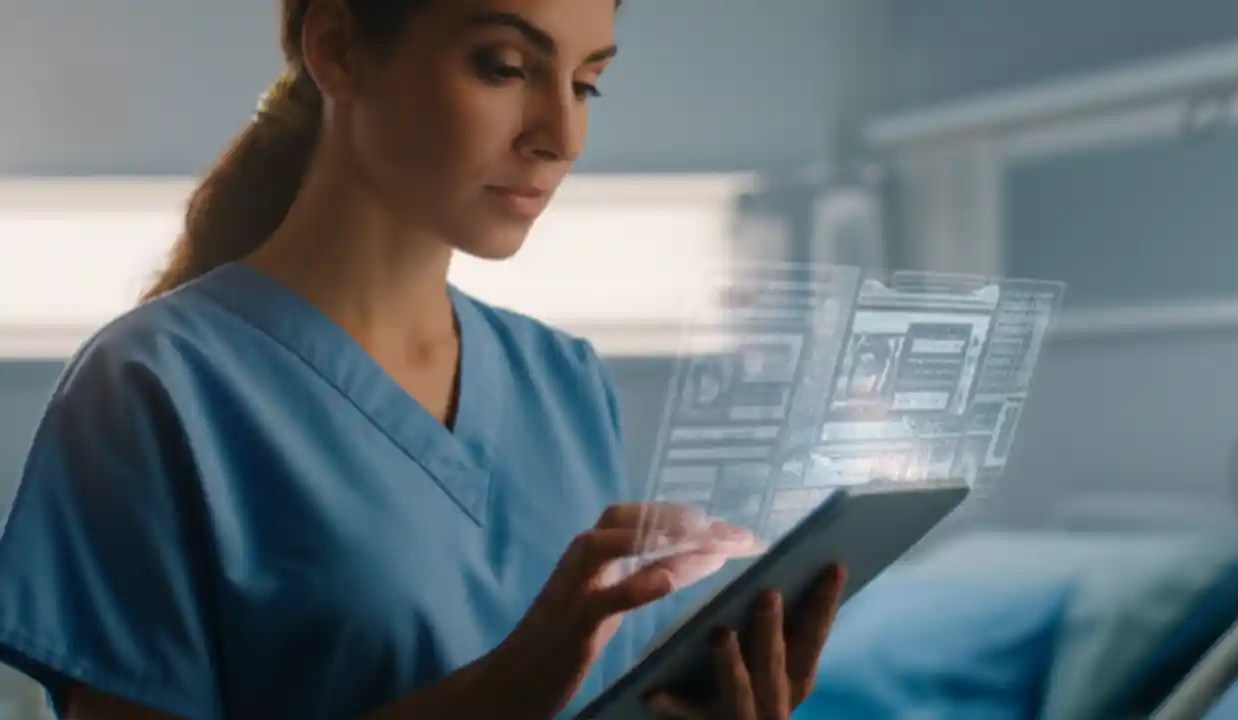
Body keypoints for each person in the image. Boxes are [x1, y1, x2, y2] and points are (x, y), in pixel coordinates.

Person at [0, 1, 847, 718]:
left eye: (587, 83)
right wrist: (496, 698)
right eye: (506, 67)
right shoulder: (156, 388)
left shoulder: (565, 382)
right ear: (336, 50)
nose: (563, 134)